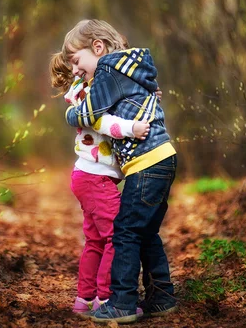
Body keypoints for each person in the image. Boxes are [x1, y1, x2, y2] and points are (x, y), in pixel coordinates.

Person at [61, 19, 178, 324]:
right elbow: (146, 97)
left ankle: (121, 301)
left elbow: (89, 113)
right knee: (146, 232)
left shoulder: (108, 70)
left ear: (97, 47)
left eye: (76, 61)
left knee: (123, 231)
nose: (74, 70)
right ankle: (162, 296)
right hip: (163, 157)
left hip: (146, 161)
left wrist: (71, 113)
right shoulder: (129, 68)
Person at [49, 40, 150, 318]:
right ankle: (106, 297)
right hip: (94, 177)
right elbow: (101, 122)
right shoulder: (88, 92)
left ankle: (84, 298)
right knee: (116, 237)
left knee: (95, 241)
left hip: (87, 176)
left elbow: (122, 105)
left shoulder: (90, 88)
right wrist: (133, 128)